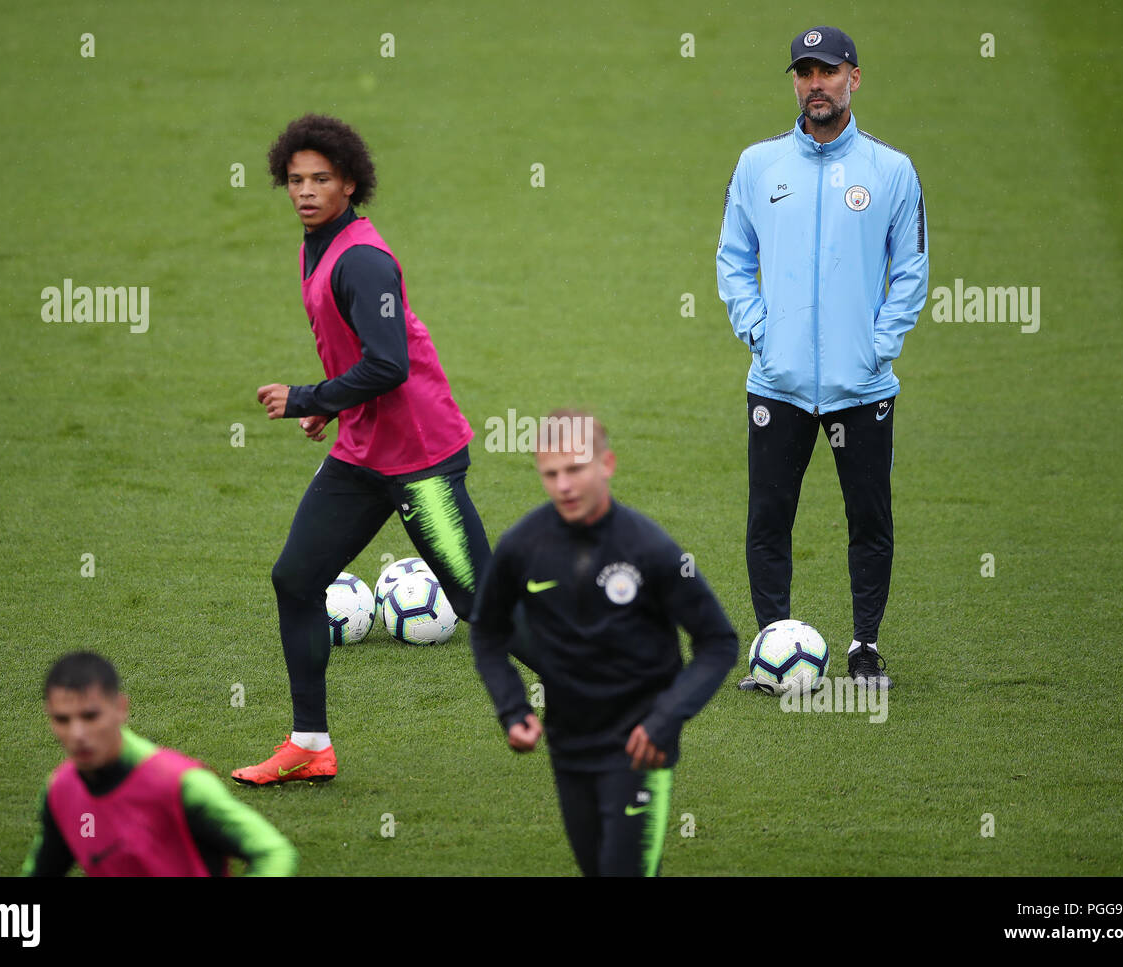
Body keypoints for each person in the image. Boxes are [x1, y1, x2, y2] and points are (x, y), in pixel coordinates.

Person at [235, 114, 492, 785]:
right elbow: (360, 356)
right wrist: (334, 405)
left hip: (422, 461)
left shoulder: (363, 260)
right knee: (296, 578)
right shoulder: (316, 246)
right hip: (363, 451)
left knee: (482, 605)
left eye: (321, 179)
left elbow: (389, 364)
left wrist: (308, 397)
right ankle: (309, 744)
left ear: (349, 183)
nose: (305, 191)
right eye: (296, 179)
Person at [716, 26, 928, 691]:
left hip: (861, 388)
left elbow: (911, 270)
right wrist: (759, 331)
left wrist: (876, 347)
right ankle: (772, 649)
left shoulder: (891, 171)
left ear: (853, 78)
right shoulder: (758, 164)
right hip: (776, 383)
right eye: (804, 72)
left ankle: (865, 647)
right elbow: (733, 257)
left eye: (828, 71)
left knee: (869, 520)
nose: (816, 84)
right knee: (768, 520)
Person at [470, 411, 737, 876]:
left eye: (575, 469)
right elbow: (487, 631)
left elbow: (718, 642)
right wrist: (512, 709)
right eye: (551, 474)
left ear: (606, 464)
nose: (563, 486)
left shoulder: (650, 548)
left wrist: (665, 719)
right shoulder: (522, 546)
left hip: (640, 748)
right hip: (568, 746)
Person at [23, 652, 297, 876]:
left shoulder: (179, 784)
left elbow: (272, 852)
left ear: (120, 708)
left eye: (90, 716)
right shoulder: (61, 791)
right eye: (62, 720)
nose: (77, 734)